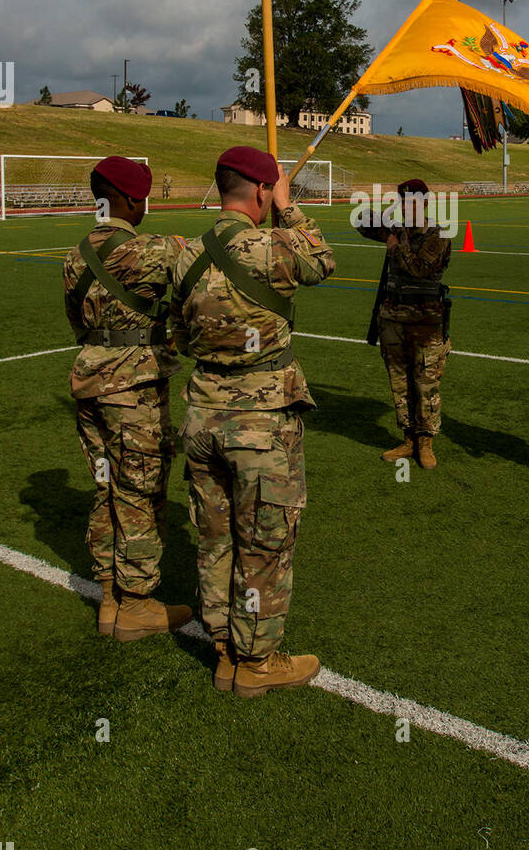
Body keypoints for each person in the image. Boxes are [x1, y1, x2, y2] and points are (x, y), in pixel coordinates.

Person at [170, 147, 335, 697]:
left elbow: (175, 329)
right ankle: (254, 661)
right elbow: (322, 262)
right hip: (260, 423)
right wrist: (290, 210)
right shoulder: (274, 247)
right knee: (265, 544)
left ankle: (221, 642)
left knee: (214, 537)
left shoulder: (186, 254)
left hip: (202, 416)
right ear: (262, 192)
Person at [62, 155, 192, 638]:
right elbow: (214, 257)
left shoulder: (75, 255)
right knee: (141, 490)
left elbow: (79, 327)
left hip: (90, 381)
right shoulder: (153, 250)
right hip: (133, 391)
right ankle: (137, 602)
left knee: (107, 488)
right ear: (133, 199)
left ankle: (110, 596)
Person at [357, 178, 451, 470]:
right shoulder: (396, 229)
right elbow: (361, 223)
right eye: (403, 201)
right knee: (400, 385)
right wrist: (384, 216)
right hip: (393, 320)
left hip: (426, 323)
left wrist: (395, 247)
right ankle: (408, 439)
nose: (408, 206)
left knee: (426, 385)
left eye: (413, 201)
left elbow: (420, 268)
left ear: (425, 203)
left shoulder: (440, 234)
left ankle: (426, 443)